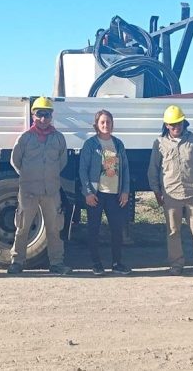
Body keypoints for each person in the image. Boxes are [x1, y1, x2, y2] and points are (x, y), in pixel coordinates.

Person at [148, 105, 193, 276]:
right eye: (172, 125)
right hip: (171, 193)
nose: (176, 127)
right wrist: (157, 191)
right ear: (166, 125)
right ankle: (176, 263)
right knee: (173, 231)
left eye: (179, 124)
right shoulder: (159, 143)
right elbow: (153, 169)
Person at [7, 97, 72, 275]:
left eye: (47, 115)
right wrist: (29, 176)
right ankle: (17, 262)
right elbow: (15, 161)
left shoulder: (59, 138)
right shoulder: (25, 138)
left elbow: (62, 161)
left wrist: (48, 177)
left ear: (52, 116)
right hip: (28, 191)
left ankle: (56, 263)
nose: (43, 119)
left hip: (51, 191)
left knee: (54, 228)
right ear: (33, 115)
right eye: (40, 114)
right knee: (22, 228)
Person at [79, 109, 132, 276]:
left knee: (117, 229)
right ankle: (96, 263)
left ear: (112, 124)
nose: (105, 125)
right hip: (96, 194)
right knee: (93, 229)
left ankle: (117, 263)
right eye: (102, 122)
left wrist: (125, 191)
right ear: (97, 125)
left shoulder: (118, 144)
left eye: (108, 122)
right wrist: (88, 192)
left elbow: (125, 169)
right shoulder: (90, 145)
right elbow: (83, 170)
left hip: (114, 194)